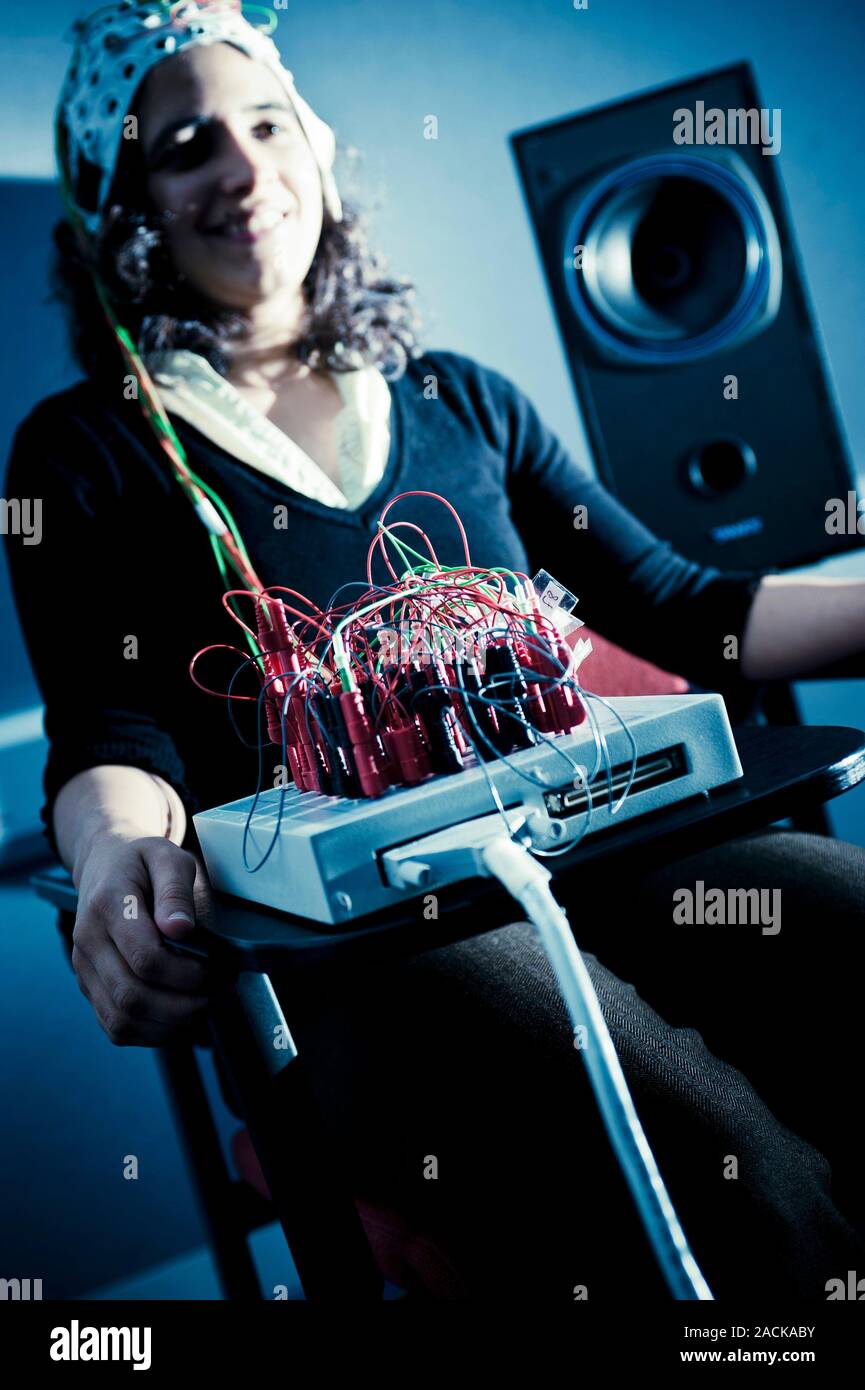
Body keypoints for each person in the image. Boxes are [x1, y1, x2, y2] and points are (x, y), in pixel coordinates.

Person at [4, 0, 865, 1299]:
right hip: (357, 956)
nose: (241, 169)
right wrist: (118, 858)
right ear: (121, 202)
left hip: (606, 855)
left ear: (316, 147)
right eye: (186, 145)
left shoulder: (459, 400)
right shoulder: (88, 453)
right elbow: (111, 737)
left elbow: (697, 612)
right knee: (721, 1159)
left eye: (265, 124)